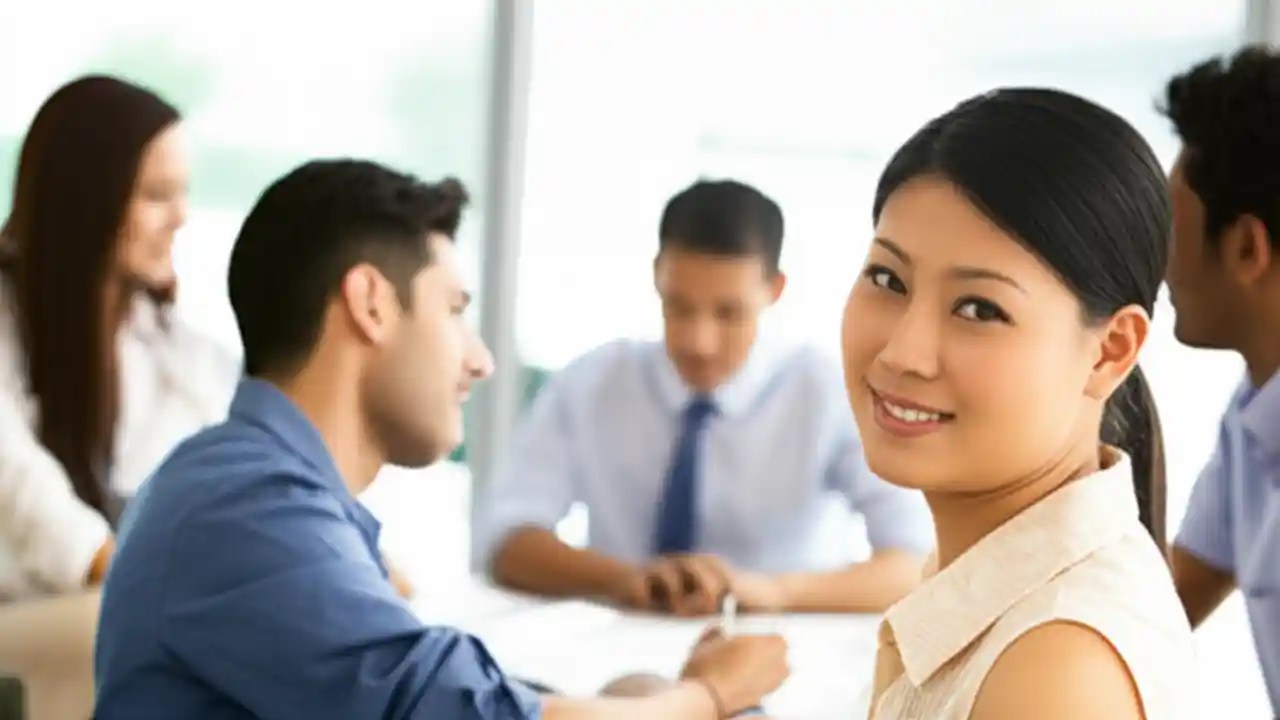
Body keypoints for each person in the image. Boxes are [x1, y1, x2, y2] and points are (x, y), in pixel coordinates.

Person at [93, 159, 789, 719]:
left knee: (637, 691)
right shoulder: (245, 506)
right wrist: (711, 694)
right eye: (454, 310)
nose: (480, 360)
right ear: (370, 304)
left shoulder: (259, 490)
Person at [855, 89, 1194, 720]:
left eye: (979, 309)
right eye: (888, 279)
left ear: (1109, 351)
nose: (902, 353)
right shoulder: (988, 577)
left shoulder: (1056, 667)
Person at [477, 180, 932, 616]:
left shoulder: (829, 393)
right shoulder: (591, 382)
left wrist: (773, 591)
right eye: (678, 306)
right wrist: (627, 580)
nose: (700, 342)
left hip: (780, 647)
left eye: (729, 313)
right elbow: (503, 540)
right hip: (615, 644)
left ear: (775, 291)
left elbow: (918, 563)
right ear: (657, 276)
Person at [0, 75, 236, 720]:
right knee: (115, 628)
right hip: (28, 611)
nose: (181, 215)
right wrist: (141, 577)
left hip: (113, 596)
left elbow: (238, 457)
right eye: (156, 195)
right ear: (87, 201)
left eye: (182, 192)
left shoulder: (170, 345)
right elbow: (24, 491)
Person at [1162, 46, 1280, 716]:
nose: (1161, 268)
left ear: (1246, 248)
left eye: (1172, 229)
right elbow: (1164, 602)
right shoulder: (1256, 409)